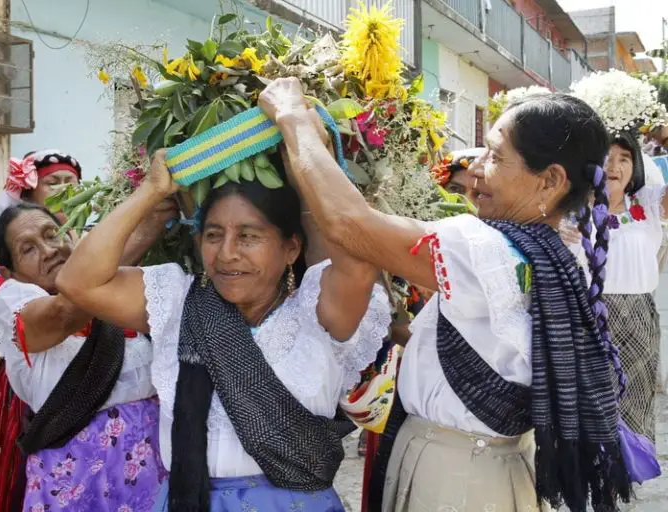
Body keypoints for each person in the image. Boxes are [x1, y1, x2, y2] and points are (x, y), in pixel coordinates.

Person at [258, 78, 631, 511]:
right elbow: (471, 347)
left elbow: (349, 225)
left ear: (549, 182)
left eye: (495, 156)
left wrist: (293, 117)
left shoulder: (485, 250)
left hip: (454, 481)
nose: (475, 170)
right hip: (489, 467)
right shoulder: (558, 256)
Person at [56, 150, 391, 510]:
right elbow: (78, 282)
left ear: (291, 248)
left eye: (248, 236)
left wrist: (303, 152)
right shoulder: (177, 301)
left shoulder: (316, 313)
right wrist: (151, 190)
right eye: (213, 235)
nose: (227, 253)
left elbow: (357, 256)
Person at [0, 150, 163, 511]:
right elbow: (64, 314)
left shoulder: (106, 271)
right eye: (28, 249)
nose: (49, 250)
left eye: (53, 234)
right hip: (75, 480)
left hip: (148, 467)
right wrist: (149, 202)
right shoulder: (12, 301)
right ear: (9, 272)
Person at [565, 131, 667, 444]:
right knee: (593, 405)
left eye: (624, 158)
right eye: (607, 157)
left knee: (635, 403)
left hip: (639, 317)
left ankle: (627, 476)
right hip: (589, 317)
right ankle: (590, 478)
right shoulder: (571, 211)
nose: (614, 165)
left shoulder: (647, 204)